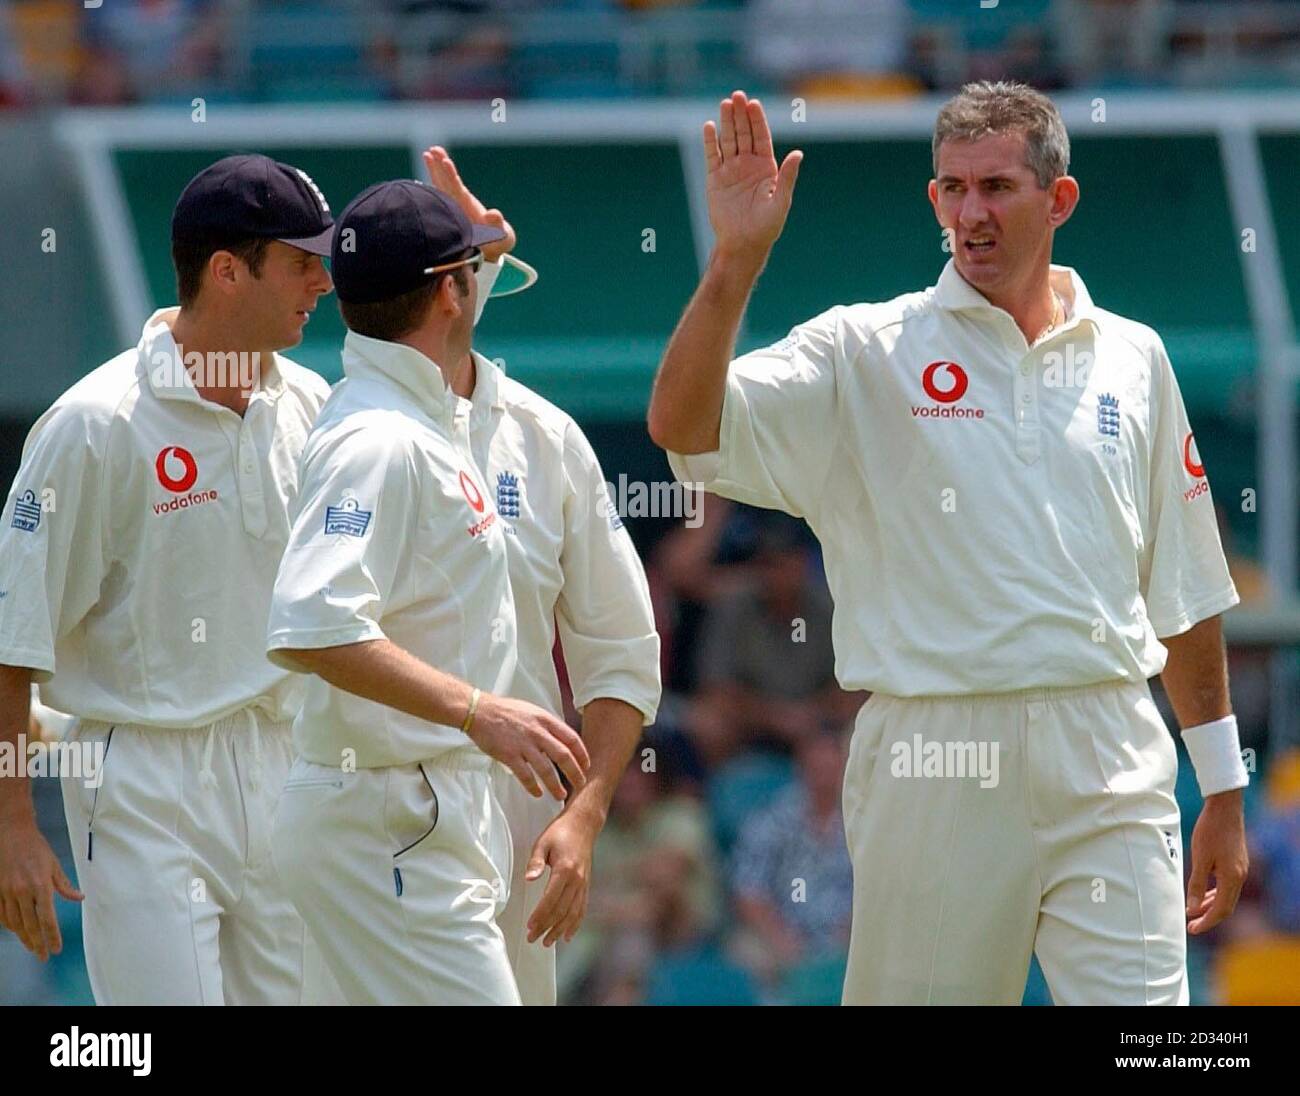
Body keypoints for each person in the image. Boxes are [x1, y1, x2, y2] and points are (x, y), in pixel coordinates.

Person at [647, 83, 1249, 1005]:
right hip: (936, 752)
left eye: (998, 187)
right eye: (952, 189)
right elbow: (683, 428)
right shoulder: (862, 349)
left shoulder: (1137, 356)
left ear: (1059, 200)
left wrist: (1223, 787)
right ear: (934, 201)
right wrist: (735, 261)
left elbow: (1186, 586)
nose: (971, 212)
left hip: (1113, 744)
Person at [0, 154, 337, 1004]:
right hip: (143, 778)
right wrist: (9, 825)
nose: (323, 283)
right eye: (302, 262)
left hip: (288, 764)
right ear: (227, 271)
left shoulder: (312, 403)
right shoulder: (92, 425)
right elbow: (13, 640)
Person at [265, 178, 590, 1005]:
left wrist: (476, 256)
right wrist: (483, 710)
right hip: (386, 819)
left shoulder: (412, 414)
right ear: (450, 291)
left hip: (407, 812)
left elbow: (445, 310)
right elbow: (311, 623)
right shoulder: (379, 439)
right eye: (469, 273)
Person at [422, 146, 662, 1005]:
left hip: (522, 821)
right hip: (364, 805)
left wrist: (585, 815)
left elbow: (621, 650)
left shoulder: (547, 438)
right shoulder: (331, 428)